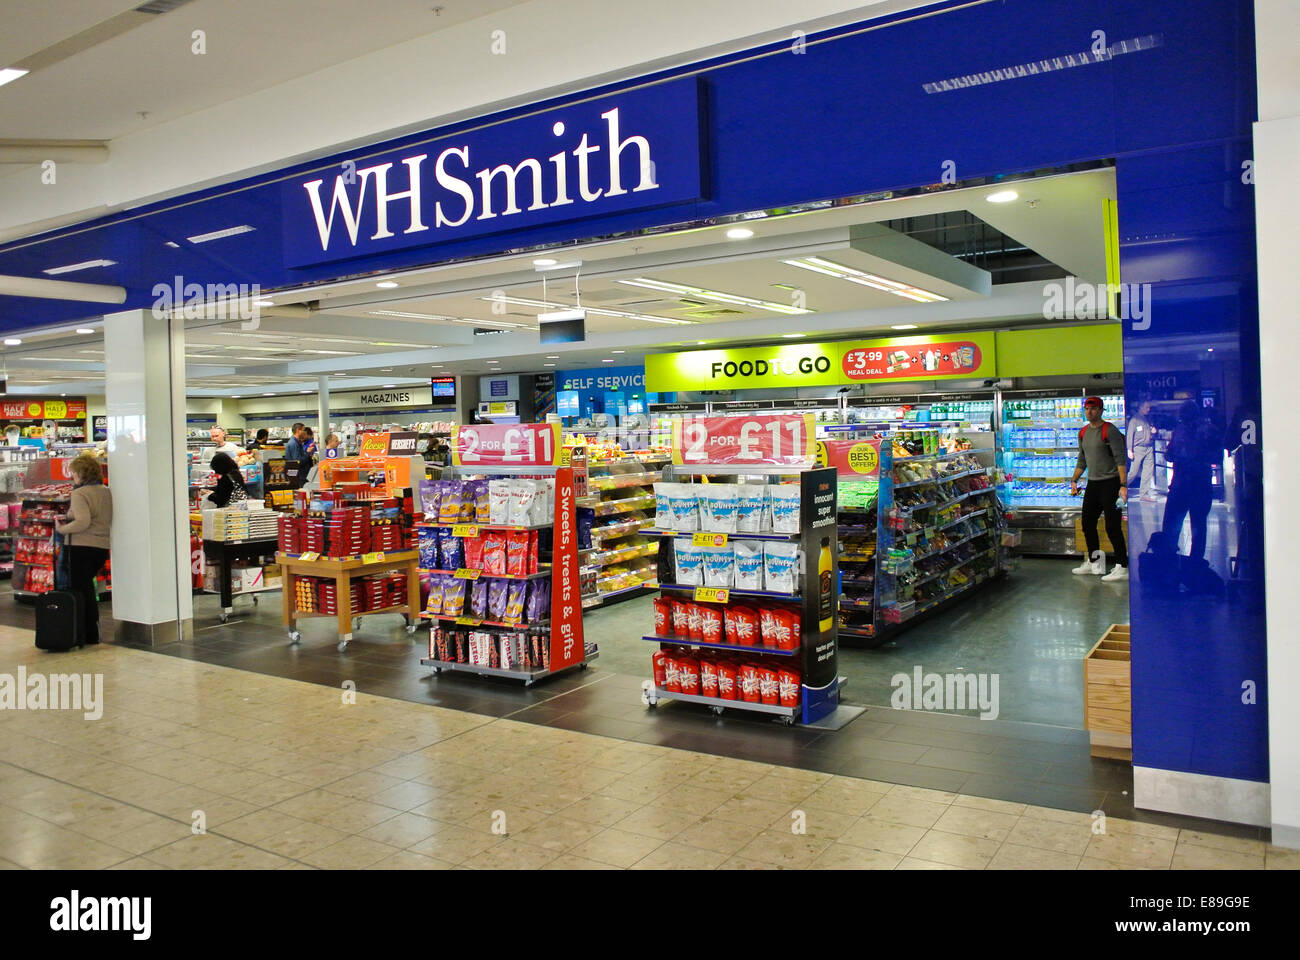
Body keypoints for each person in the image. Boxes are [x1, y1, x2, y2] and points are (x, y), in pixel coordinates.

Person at [54, 454, 113, 645]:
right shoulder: (105, 491)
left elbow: (82, 521)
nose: (72, 476)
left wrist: (62, 529)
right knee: (88, 590)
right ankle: (91, 632)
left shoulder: (79, 494)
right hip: (101, 547)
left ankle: (80, 632)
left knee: (78, 592)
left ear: (81, 473)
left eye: (74, 473)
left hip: (80, 547)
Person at [1069, 396, 1129, 581]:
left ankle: (1122, 566)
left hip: (1110, 483)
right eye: (1087, 409)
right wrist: (1074, 480)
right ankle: (1095, 562)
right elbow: (1082, 459)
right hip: (1093, 484)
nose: (1090, 412)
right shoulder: (1083, 432)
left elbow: (1121, 458)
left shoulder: (1109, 430)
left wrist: (1123, 485)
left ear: (1101, 410)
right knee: (1088, 523)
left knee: (1112, 526)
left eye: (1094, 409)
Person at [1161, 400, 1219, 561]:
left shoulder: (1180, 431)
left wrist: (1183, 455)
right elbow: (1218, 456)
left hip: (1180, 486)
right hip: (1201, 487)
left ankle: (1169, 564)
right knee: (1199, 529)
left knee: (1171, 528)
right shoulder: (1210, 430)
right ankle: (1196, 566)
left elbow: (1169, 455)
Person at [1127, 400, 1158, 501]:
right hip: (1138, 448)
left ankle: (1144, 494)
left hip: (1148, 447)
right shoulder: (1134, 420)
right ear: (1141, 407)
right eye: (1146, 407)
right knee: (1133, 472)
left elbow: (1149, 432)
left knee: (1148, 471)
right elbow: (1130, 435)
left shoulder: (1147, 419)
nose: (1148, 410)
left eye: (1149, 408)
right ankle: (1120, 487)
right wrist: (1129, 449)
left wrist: (1153, 432)